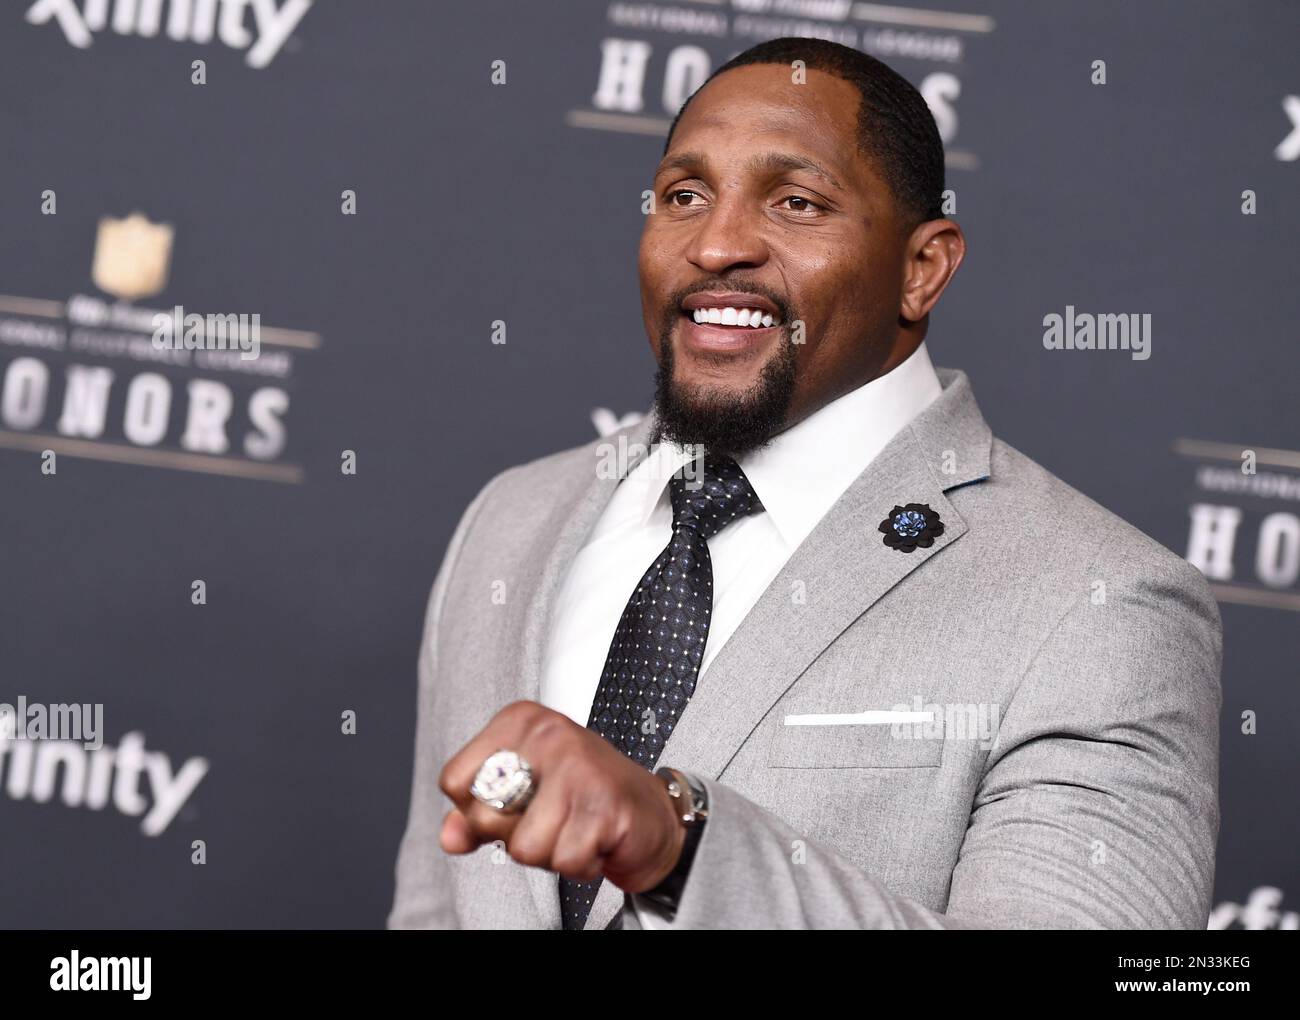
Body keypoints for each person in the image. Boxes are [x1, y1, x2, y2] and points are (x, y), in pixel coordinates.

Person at [387, 37, 1221, 930]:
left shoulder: (1097, 606)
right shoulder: (511, 521)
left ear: (921, 268)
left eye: (796, 202)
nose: (717, 244)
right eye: (685, 196)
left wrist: (678, 847)